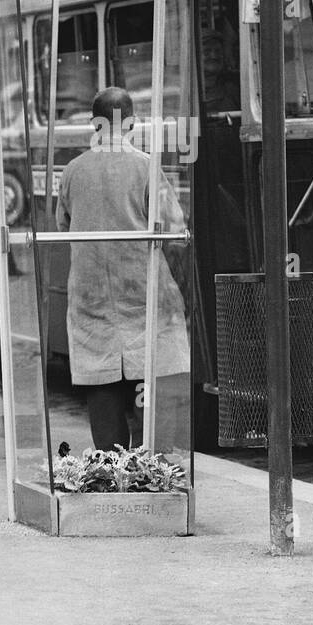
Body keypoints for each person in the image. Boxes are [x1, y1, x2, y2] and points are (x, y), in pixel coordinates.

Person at [56, 86, 189, 452]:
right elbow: (172, 226)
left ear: (93, 124)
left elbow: (63, 223)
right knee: (149, 376)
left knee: (101, 382)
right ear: (132, 123)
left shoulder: (72, 171)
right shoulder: (146, 167)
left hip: (90, 292)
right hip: (141, 290)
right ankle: (151, 469)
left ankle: (111, 470)